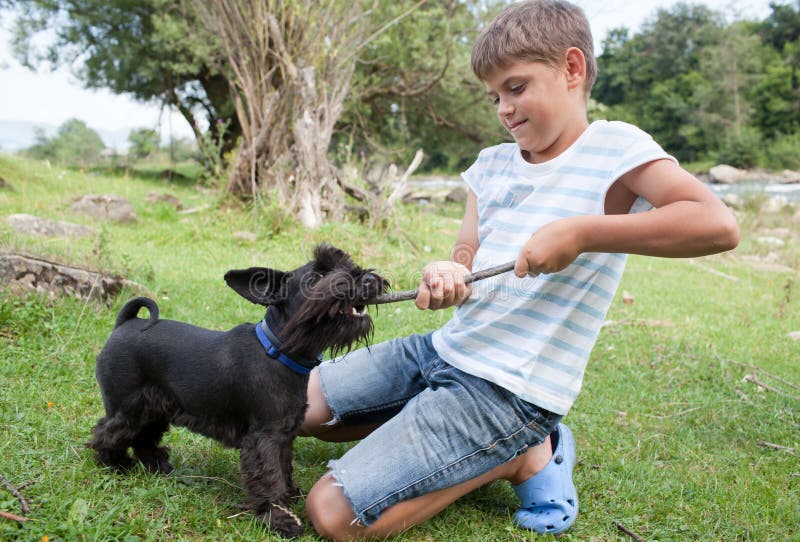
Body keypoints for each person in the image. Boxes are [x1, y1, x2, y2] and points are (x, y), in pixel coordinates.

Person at [300, 1, 740, 539]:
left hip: (508, 390)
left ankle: (518, 455)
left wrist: (583, 232)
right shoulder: (491, 164)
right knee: (299, 407)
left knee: (332, 514)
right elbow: (468, 253)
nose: (504, 109)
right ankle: (438, 430)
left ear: (572, 69)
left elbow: (717, 225)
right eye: (494, 97)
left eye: (516, 87)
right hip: (445, 351)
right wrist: (448, 271)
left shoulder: (613, 148)